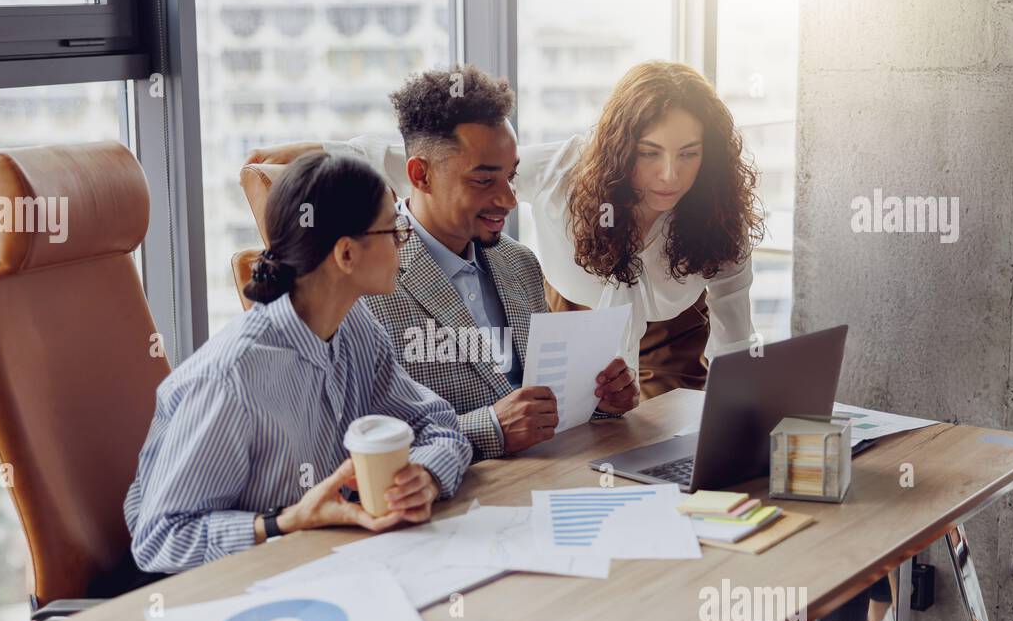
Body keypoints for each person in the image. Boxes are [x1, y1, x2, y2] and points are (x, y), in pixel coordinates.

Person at [248, 65, 640, 461]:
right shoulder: (360, 276)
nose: (507, 199)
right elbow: (350, 440)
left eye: (511, 176)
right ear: (420, 175)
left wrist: (601, 398)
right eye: (484, 180)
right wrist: (489, 430)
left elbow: (541, 402)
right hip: (447, 500)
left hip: (540, 480)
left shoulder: (519, 262)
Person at [124, 151, 473, 573]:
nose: (405, 242)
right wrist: (287, 522)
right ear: (346, 255)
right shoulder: (232, 378)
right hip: (234, 598)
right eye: (394, 229)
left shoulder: (355, 325)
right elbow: (159, 540)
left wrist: (426, 476)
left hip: (335, 570)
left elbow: (439, 425)